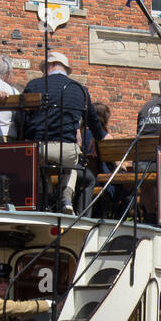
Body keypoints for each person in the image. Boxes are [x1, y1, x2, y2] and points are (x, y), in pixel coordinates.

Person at [19, 51, 105, 214]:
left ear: (51, 65)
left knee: (38, 165)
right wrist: (100, 137)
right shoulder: (80, 89)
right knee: (72, 163)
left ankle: (46, 197)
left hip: (39, 147)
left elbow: (22, 118)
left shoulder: (34, 85)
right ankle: (66, 198)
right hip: (66, 150)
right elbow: (93, 121)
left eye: (43, 69)